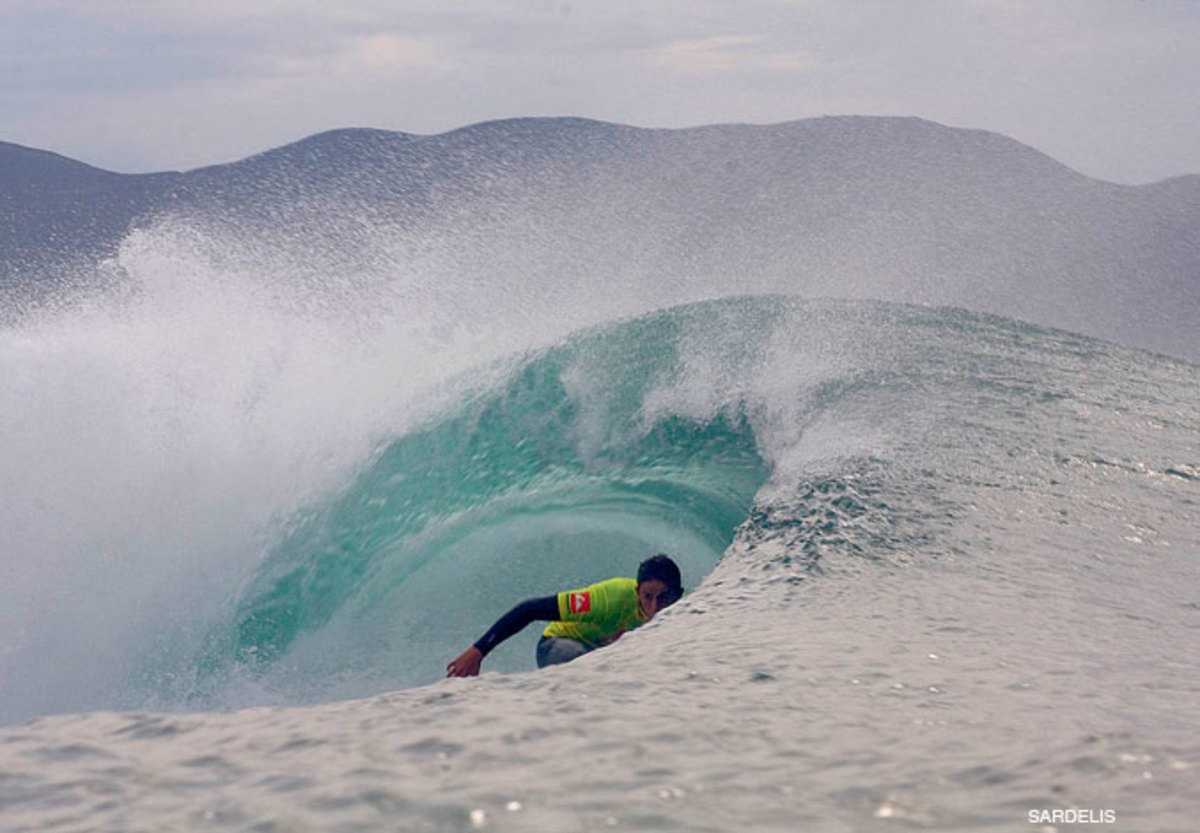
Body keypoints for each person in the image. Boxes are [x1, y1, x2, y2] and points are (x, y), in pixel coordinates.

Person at [446, 554, 684, 677]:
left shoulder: (686, 610)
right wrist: (478, 651)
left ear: (679, 595)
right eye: (647, 597)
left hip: (603, 654)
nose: (655, 608)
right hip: (557, 646)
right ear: (636, 592)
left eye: (664, 597)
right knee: (592, 666)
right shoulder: (607, 599)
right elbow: (530, 609)